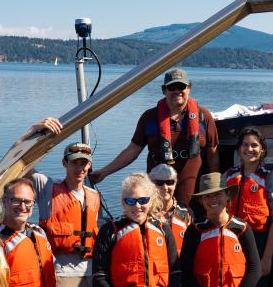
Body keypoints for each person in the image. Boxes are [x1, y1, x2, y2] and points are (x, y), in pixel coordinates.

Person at [89, 68, 220, 207]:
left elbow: (213, 154)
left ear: (189, 88)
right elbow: (132, 150)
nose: (177, 91)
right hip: (158, 192)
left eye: (181, 86)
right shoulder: (149, 117)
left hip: (193, 195)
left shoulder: (203, 116)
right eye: (171, 87)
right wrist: (104, 172)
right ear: (164, 90)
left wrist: (215, 189)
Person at [26, 142, 100, 287]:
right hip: (64, 275)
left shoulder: (93, 195)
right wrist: (38, 132)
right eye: (74, 162)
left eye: (84, 163)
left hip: (92, 274)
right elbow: (22, 161)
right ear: (64, 163)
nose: (80, 168)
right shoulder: (46, 187)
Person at [223, 127, 273, 287]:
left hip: (258, 242)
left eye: (254, 145)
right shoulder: (227, 177)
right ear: (239, 149)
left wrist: (267, 258)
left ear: (262, 149)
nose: (249, 149)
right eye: (245, 145)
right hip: (232, 242)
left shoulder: (271, 179)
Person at [149, 163, 193, 254]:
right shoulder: (146, 213)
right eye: (159, 183)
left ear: (175, 185)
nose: (165, 187)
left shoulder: (187, 213)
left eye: (169, 182)